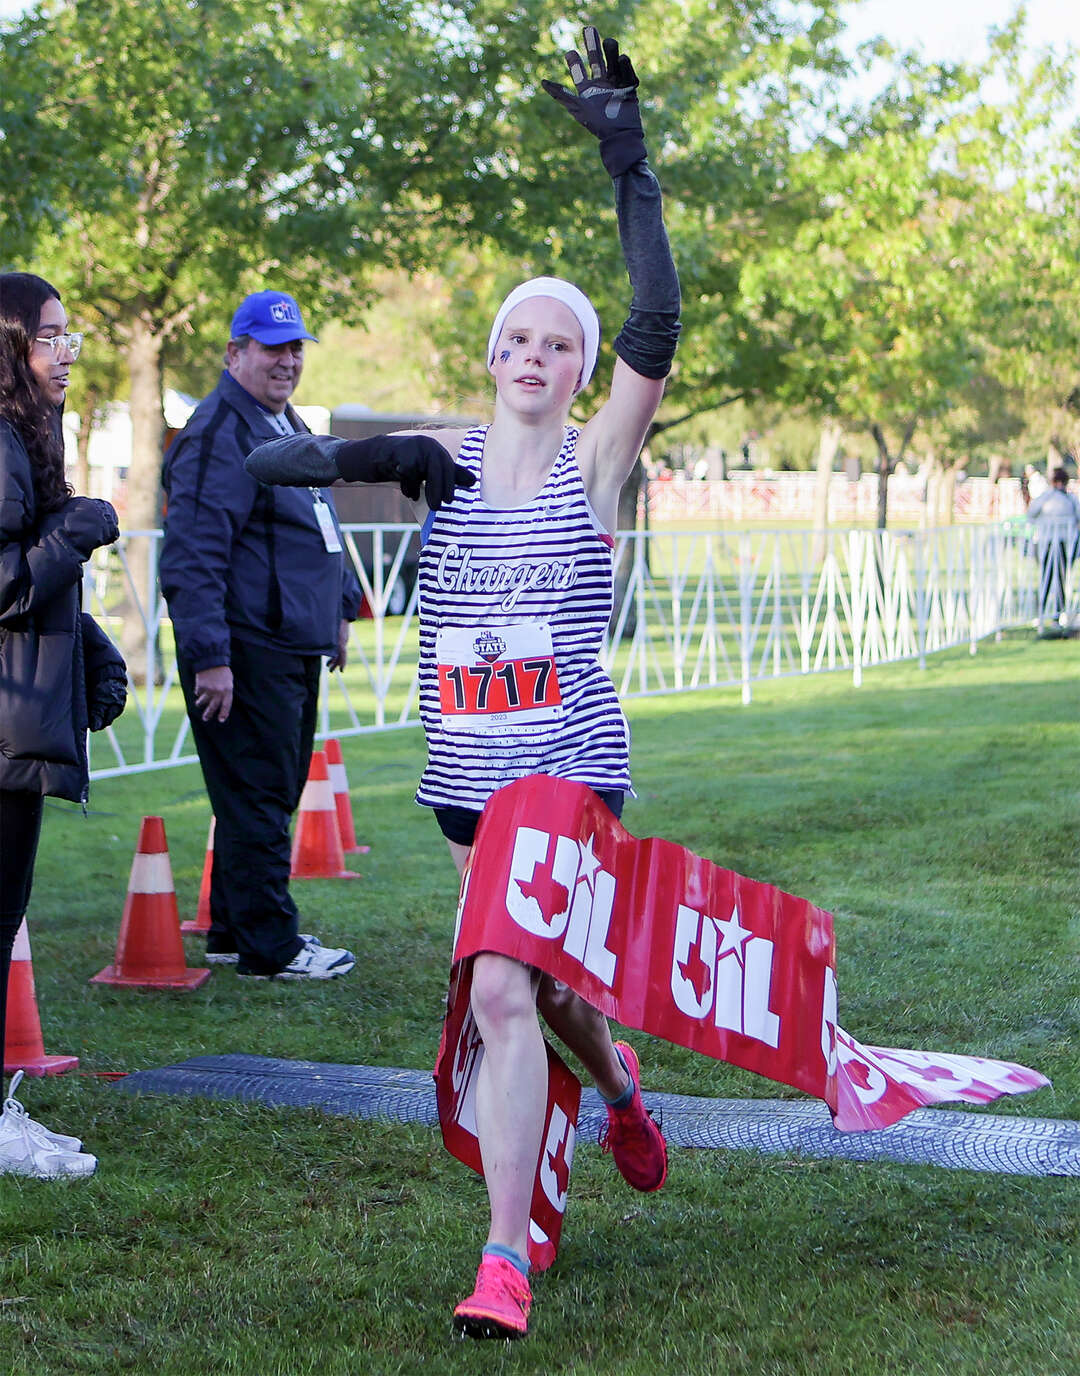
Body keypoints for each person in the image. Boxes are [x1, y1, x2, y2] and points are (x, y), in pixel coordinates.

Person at [246, 25, 679, 1338]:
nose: (535, 356)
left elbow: (657, 321)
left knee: (496, 990)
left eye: (559, 344)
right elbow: (274, 465)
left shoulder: (596, 463)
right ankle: (617, 1086)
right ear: (493, 358)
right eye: (517, 340)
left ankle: (502, 1259)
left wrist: (629, 164)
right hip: (463, 777)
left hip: (569, 766)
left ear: (581, 370)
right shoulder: (443, 453)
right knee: (544, 992)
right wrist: (368, 459)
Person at [159, 290, 363, 980]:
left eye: (295, 348)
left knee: (262, 789)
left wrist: (340, 609)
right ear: (234, 353)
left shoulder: (279, 421)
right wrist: (210, 658)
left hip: (290, 641)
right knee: (260, 794)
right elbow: (194, 554)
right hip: (248, 647)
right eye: (272, 348)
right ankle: (270, 947)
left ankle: (233, 929)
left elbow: (320, 520)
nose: (287, 361)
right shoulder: (220, 432)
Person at [0, 270, 126, 1178]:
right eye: (49, 335)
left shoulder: (24, 434)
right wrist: (77, 528)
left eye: (67, 333)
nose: (67, 351)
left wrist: (88, 648)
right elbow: (6, 582)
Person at [1023, 465, 1079, 630]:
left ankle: (1055, 615)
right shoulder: (1049, 497)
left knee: (1056, 579)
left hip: (1061, 544)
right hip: (1049, 543)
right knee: (1048, 578)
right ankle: (1044, 614)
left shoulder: (1069, 499)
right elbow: (1031, 514)